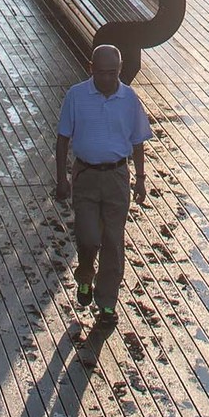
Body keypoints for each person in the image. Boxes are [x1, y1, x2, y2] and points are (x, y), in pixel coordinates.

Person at [53, 44, 151, 326]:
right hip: (85, 176)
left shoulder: (129, 98)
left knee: (112, 242)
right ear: (91, 68)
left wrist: (141, 179)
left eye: (114, 73)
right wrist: (63, 179)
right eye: (102, 73)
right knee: (87, 237)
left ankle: (107, 303)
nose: (108, 79)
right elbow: (62, 140)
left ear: (120, 70)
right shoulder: (76, 96)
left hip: (117, 177)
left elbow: (137, 141)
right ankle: (85, 272)